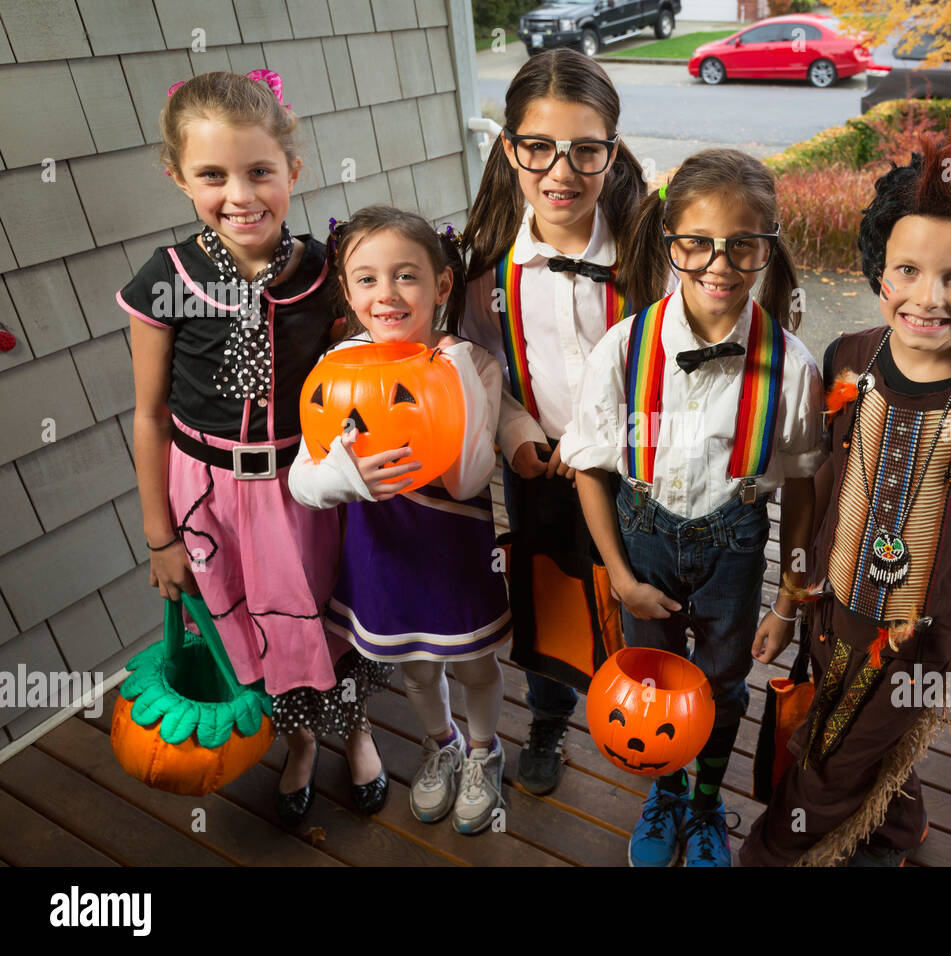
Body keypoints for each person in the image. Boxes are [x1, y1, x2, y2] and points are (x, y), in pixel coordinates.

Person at [738, 80, 951, 867]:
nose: (928, 298)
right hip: (834, 607)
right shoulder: (848, 358)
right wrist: (796, 586)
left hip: (925, 632)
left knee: (833, 758)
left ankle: (775, 855)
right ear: (880, 267)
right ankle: (896, 842)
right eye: (907, 270)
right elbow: (813, 482)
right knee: (852, 741)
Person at [117, 70, 381, 827]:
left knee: (327, 614)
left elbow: (358, 373)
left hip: (308, 487)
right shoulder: (167, 281)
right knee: (254, 629)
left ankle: (355, 730)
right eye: (212, 175)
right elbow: (148, 415)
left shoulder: (325, 272)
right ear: (179, 179)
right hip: (212, 498)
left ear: (292, 171)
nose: (241, 194)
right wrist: (158, 535)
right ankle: (298, 738)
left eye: (260, 171)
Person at [561, 149, 826, 866]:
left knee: (723, 682)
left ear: (767, 246)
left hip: (735, 546)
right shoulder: (623, 349)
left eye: (743, 245)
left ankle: (707, 802)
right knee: (648, 675)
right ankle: (667, 791)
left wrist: (788, 602)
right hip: (640, 536)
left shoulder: (792, 365)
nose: (720, 264)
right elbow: (588, 466)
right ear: (669, 240)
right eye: (698, 243)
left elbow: (802, 487)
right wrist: (616, 572)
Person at [461, 48, 649, 796]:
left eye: (585, 150)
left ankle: (648, 703)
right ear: (510, 149)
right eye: (538, 148)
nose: (560, 172)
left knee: (635, 590)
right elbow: (483, 369)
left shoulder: (648, 259)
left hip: (635, 471)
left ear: (612, 149)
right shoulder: (488, 272)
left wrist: (612, 442)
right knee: (550, 590)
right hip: (539, 468)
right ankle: (548, 713)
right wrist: (515, 432)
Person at [288, 206, 510, 834]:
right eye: (366, 279)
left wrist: (460, 371)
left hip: (453, 546)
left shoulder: (473, 365)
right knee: (414, 666)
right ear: (347, 289)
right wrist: (346, 476)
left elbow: (468, 479)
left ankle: (486, 749)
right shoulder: (337, 371)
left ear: (441, 285)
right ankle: (441, 743)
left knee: (471, 663)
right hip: (381, 550)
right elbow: (304, 480)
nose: (385, 294)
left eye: (406, 276)